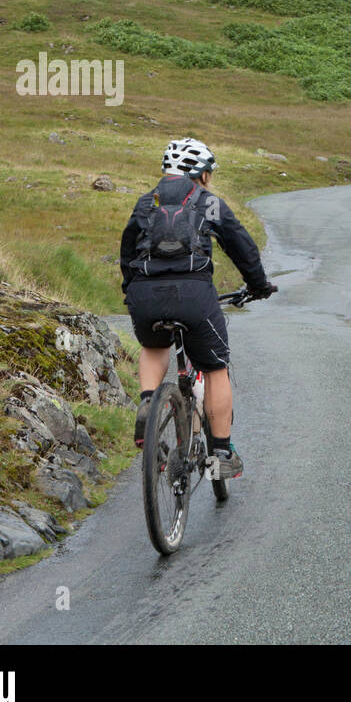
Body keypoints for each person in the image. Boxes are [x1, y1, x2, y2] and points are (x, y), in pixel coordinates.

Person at [120, 138, 276, 478]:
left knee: (153, 344)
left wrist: (130, 291)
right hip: (193, 296)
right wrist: (259, 286)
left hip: (144, 294)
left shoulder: (147, 202)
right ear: (201, 175)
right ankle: (220, 454)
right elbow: (242, 246)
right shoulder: (208, 203)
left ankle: (149, 402)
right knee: (215, 366)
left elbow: (128, 250)